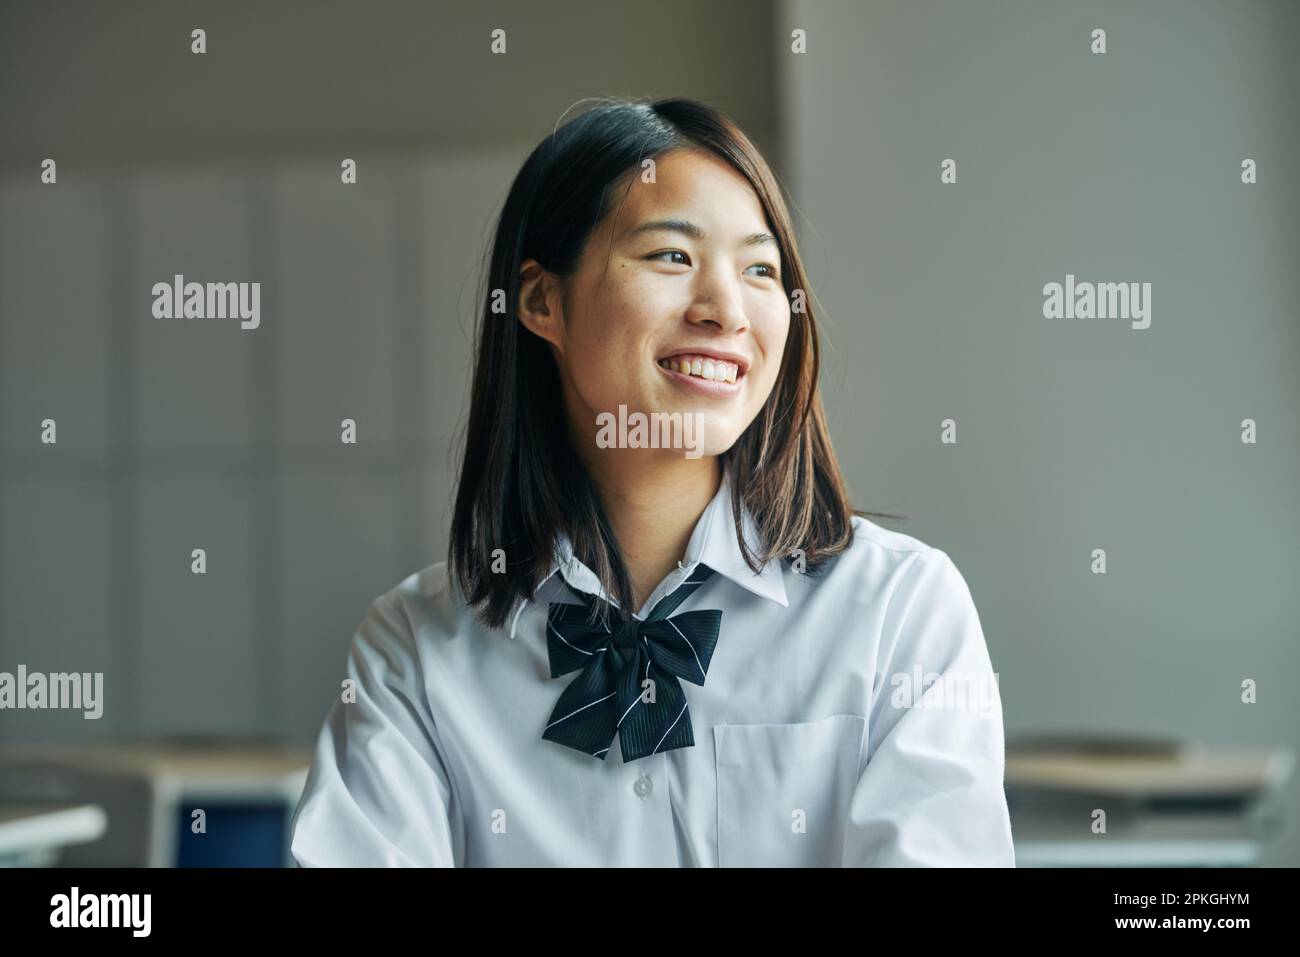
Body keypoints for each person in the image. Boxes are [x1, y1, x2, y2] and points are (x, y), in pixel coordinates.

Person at [289, 97, 1015, 867]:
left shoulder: (900, 611)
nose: (726, 310)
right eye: (672, 256)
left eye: (761, 269)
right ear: (541, 300)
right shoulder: (415, 650)